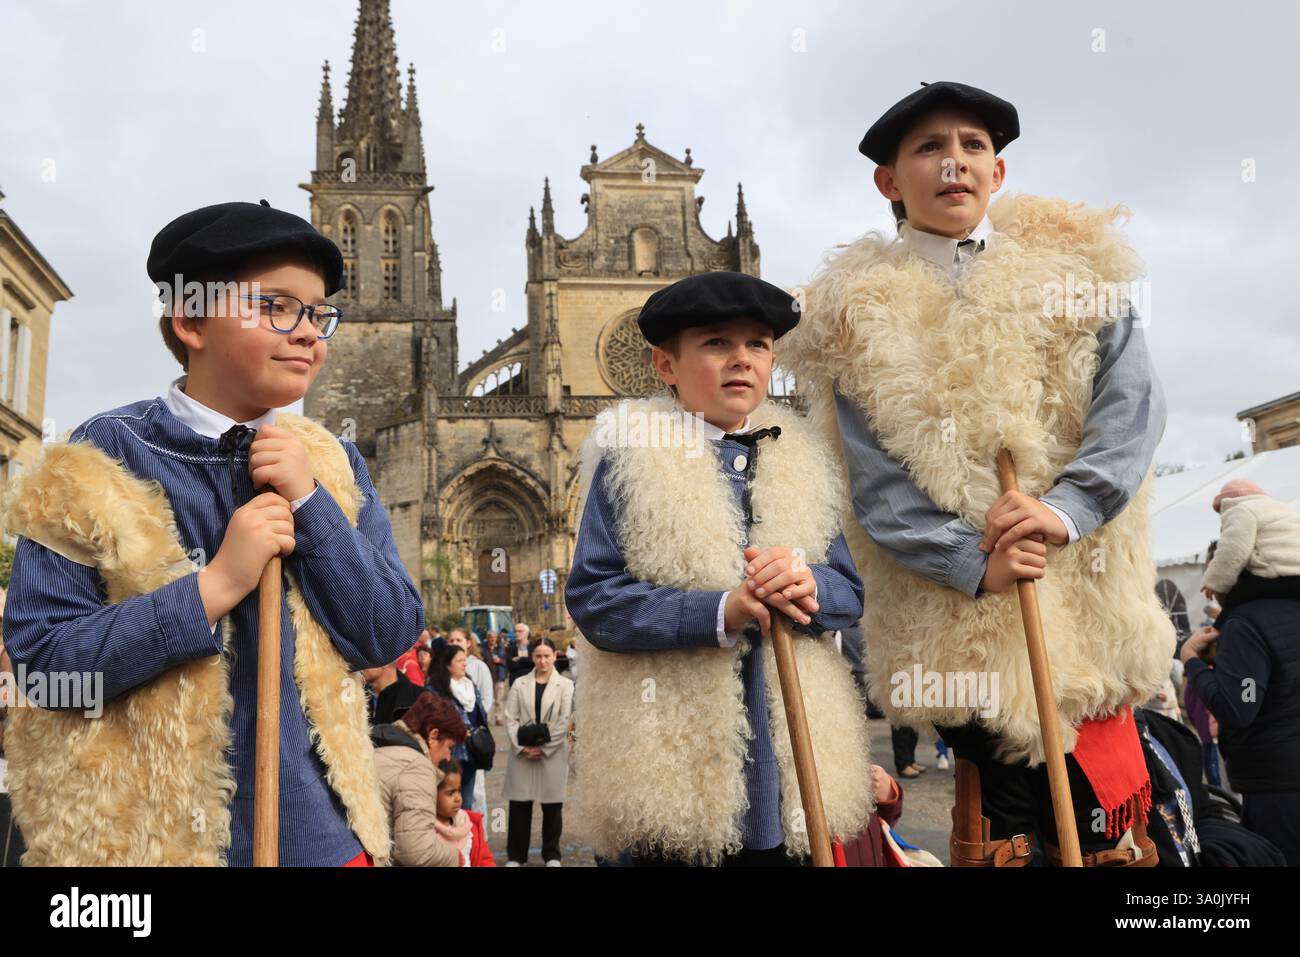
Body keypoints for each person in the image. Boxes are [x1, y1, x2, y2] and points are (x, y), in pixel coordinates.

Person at [780, 82, 1174, 867]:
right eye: (929, 148)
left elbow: (1133, 404)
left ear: (997, 172)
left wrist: (1065, 509)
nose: (954, 162)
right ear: (889, 182)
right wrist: (975, 560)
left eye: (972, 146)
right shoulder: (852, 317)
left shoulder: (1079, 270)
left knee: (1110, 837)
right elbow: (877, 485)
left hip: (1091, 595)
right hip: (964, 624)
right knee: (1007, 836)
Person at [0, 200, 423, 866]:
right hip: (146, 848)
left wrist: (311, 505)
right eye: (279, 306)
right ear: (192, 318)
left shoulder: (337, 464)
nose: (310, 332)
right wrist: (213, 587)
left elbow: (389, 630)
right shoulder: (97, 457)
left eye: (318, 314)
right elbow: (46, 665)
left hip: (318, 842)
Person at [565, 271, 874, 866]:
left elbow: (849, 592)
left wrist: (809, 583)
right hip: (672, 780)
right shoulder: (631, 457)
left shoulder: (803, 459)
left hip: (790, 777)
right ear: (665, 365)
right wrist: (720, 611)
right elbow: (597, 601)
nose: (741, 360)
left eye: (757, 344)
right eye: (715, 342)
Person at [1180, 586, 1300, 864]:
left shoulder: (1246, 621)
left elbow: (1239, 708)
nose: (1208, 588)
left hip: (1278, 789)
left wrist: (1192, 661)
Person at [372, 692, 467, 868]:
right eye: (449, 747)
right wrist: (456, 857)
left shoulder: (381, 745)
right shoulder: (416, 768)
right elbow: (415, 851)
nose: (448, 757)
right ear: (433, 736)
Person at [503, 638, 574, 866]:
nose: (542, 661)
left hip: (551, 753)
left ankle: (552, 854)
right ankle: (516, 855)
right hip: (522, 752)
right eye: (538, 656)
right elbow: (510, 717)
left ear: (555, 656)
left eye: (547, 655)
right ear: (532, 657)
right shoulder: (519, 683)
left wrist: (545, 748)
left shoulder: (566, 685)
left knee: (552, 805)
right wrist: (521, 747)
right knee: (519, 805)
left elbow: (565, 720)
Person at [1200, 480, 1300, 603]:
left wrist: (1214, 581)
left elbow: (1233, 549)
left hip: (1279, 575)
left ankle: (1224, 622)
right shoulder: (1284, 509)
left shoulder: (1241, 510)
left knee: (1234, 600)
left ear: (1225, 503)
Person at [426, 643, 489, 808]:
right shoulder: (435, 690)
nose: (464, 664)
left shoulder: (470, 685)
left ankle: (464, 834)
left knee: (466, 804)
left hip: (472, 754)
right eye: (459, 660)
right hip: (450, 756)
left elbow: (480, 715)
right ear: (447, 664)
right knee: (447, 806)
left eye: (465, 660)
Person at [433, 758, 496, 867]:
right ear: (432, 794)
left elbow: (485, 861)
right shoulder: (425, 831)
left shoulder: (471, 825)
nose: (457, 798)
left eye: (459, 791)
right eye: (450, 793)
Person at [362, 660, 424, 726]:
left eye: (365, 658)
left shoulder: (421, 699)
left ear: (384, 663)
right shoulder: (357, 697)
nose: (358, 665)